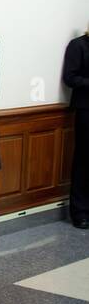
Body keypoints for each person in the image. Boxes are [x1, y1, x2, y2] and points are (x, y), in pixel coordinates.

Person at [64, 26, 89, 229]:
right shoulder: (78, 45)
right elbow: (70, 78)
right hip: (86, 109)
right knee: (84, 160)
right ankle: (79, 212)